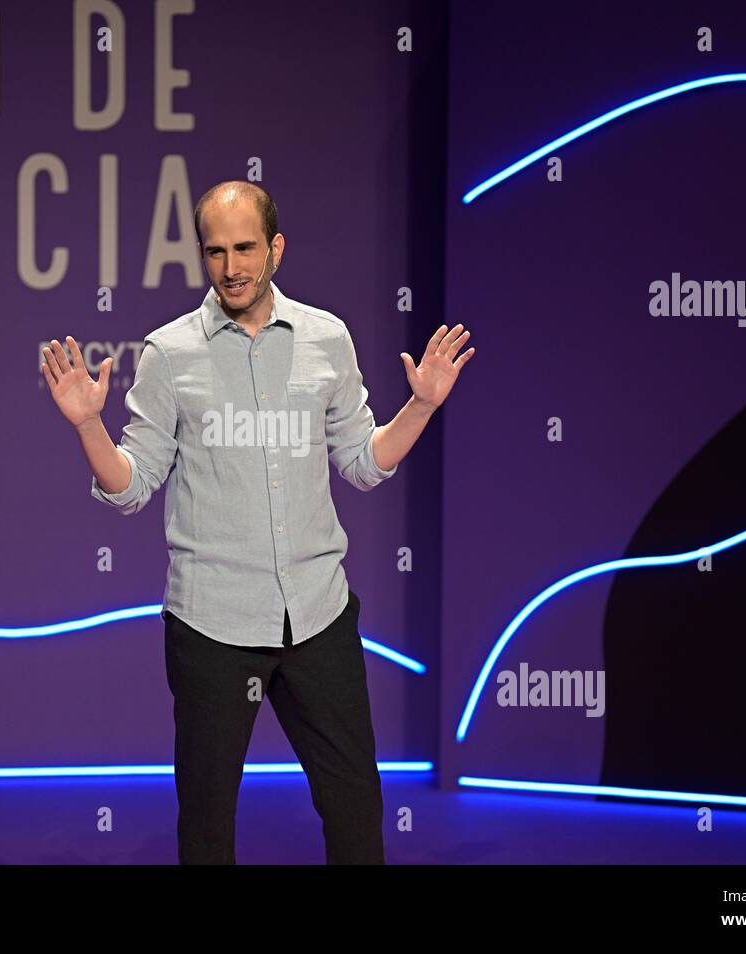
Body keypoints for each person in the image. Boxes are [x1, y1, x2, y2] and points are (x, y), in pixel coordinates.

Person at [41, 181, 474, 864]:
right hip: (211, 623)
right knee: (208, 829)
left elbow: (362, 462)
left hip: (318, 615)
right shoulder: (168, 353)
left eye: (245, 248)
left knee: (357, 809)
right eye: (216, 251)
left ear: (276, 247)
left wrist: (419, 407)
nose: (232, 267)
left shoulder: (326, 339)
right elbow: (131, 487)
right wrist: (90, 426)